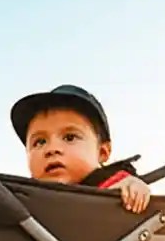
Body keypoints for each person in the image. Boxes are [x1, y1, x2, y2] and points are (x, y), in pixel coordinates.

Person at [10, 84, 152, 212]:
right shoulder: (16, 202)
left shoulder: (116, 186)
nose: (52, 149)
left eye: (70, 138)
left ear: (102, 152)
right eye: (40, 142)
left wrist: (133, 189)